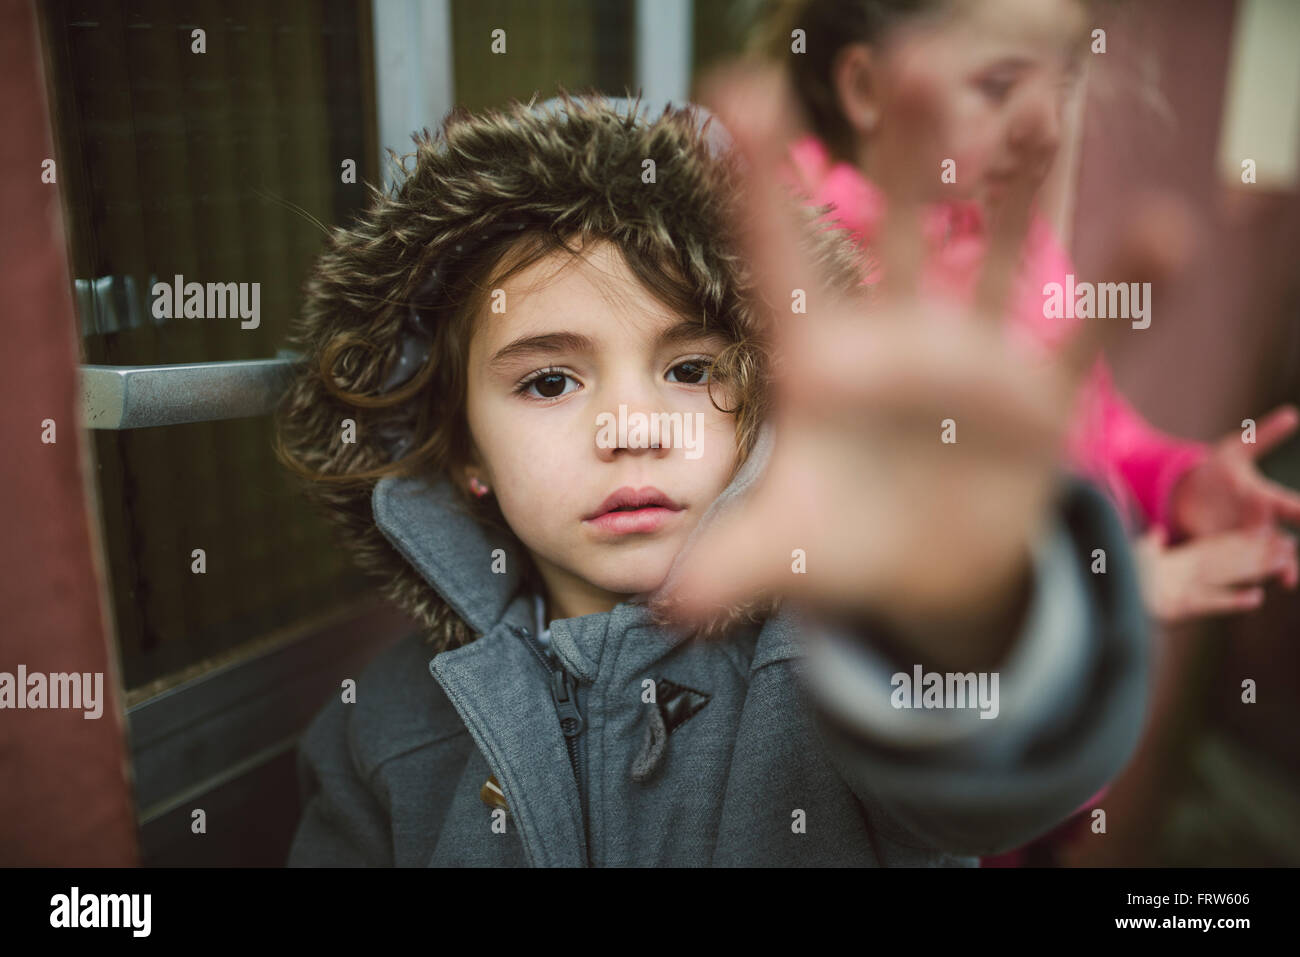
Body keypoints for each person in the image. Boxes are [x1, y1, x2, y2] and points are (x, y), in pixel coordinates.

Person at [277, 89, 1153, 866]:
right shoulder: (384, 729)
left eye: (693, 371)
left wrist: (966, 606)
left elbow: (984, 782)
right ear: (464, 450)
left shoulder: (835, 657)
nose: (632, 430)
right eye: (549, 381)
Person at [751, 0, 1300, 626]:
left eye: (1063, 83)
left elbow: (1090, 425)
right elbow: (895, 568)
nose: (1045, 127)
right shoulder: (815, 279)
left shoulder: (1011, 237)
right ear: (865, 88)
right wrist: (1107, 591)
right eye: (999, 86)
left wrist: (1178, 485)